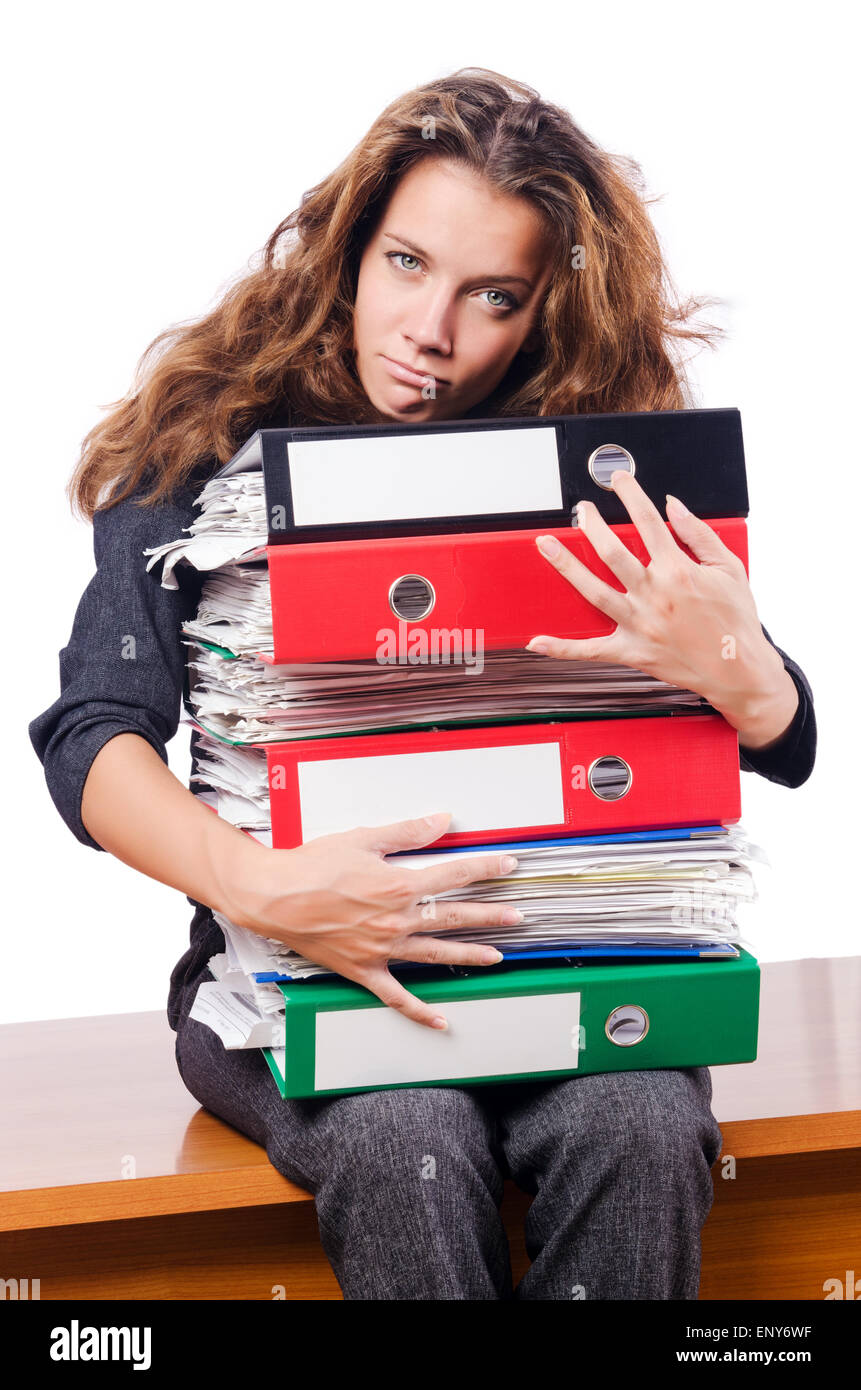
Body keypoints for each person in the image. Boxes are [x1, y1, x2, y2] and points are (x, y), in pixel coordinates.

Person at [29, 67, 816, 1300]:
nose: (431, 331)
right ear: (350, 249)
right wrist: (260, 883)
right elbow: (91, 734)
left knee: (641, 1131)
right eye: (405, 265)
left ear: (547, 309)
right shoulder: (211, 442)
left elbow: (777, 727)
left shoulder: (599, 456)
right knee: (412, 1143)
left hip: (574, 962)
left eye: (492, 295)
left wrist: (747, 673)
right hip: (303, 977)